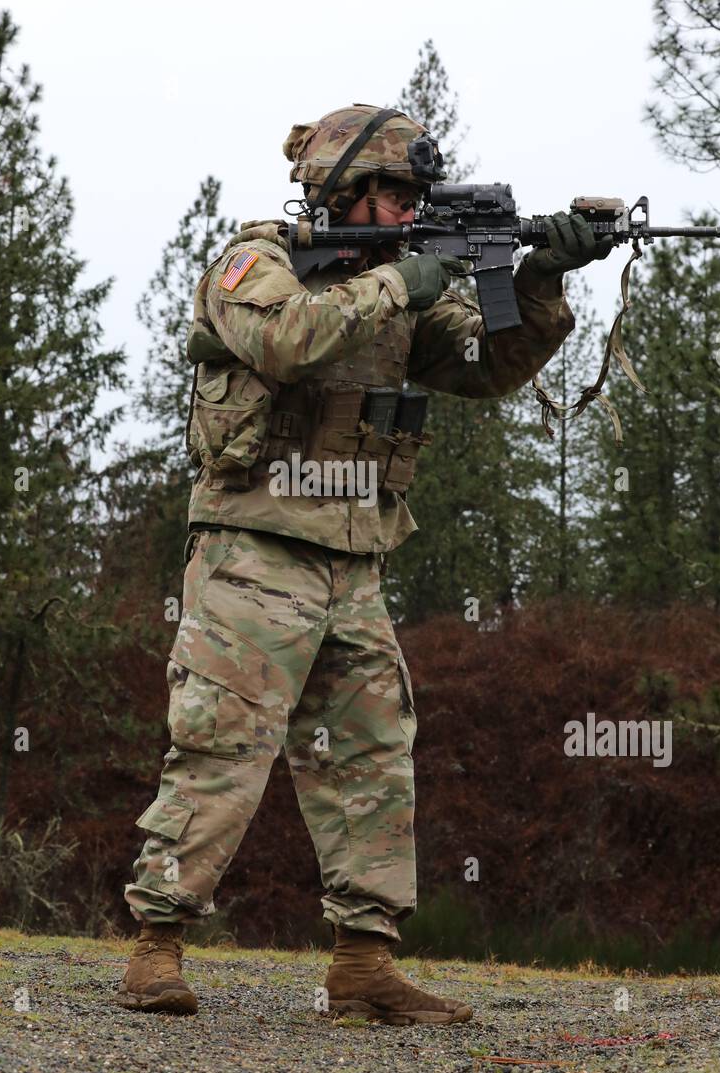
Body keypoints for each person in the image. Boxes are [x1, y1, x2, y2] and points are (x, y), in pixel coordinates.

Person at [117, 103, 612, 1024]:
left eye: (414, 198)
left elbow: (486, 366)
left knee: (374, 758)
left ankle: (363, 962)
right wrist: (404, 282)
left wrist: (539, 278)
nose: (403, 215)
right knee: (223, 746)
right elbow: (287, 339)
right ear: (339, 190)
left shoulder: (397, 284)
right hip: (254, 550)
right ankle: (156, 944)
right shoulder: (255, 262)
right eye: (388, 198)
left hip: (355, 560)